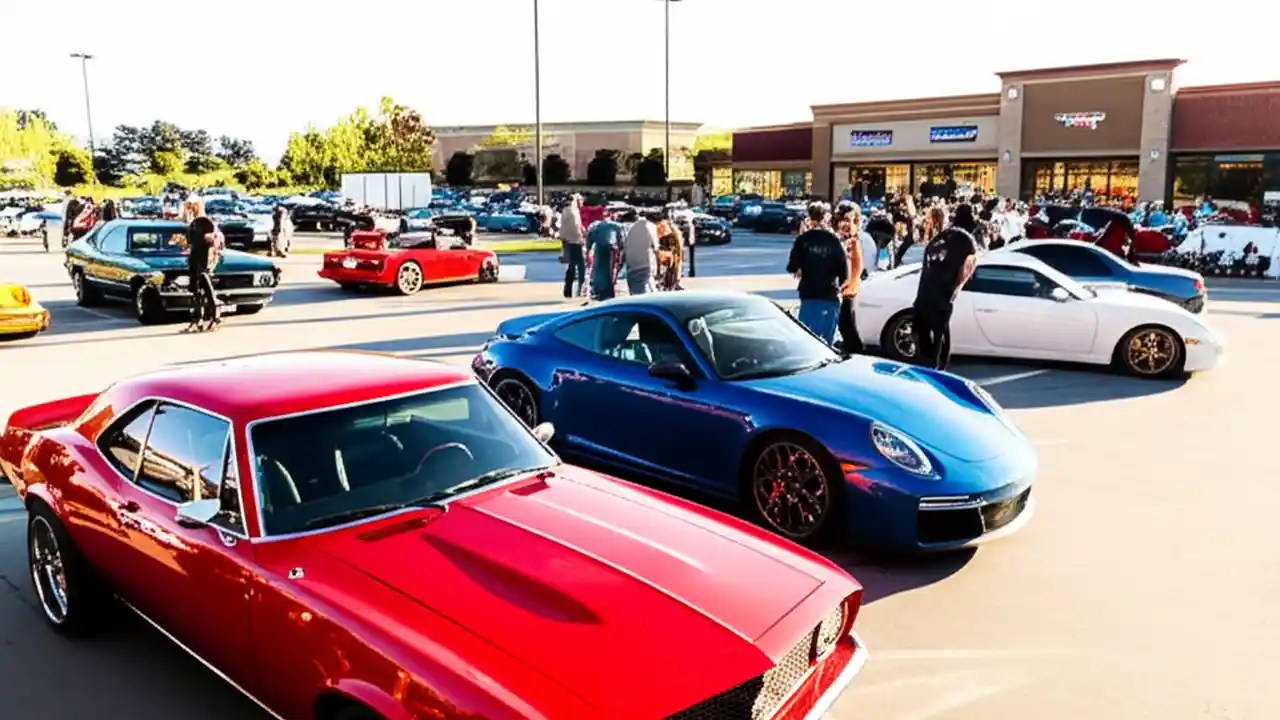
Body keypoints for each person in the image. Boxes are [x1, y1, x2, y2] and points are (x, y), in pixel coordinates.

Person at [913, 203, 978, 370]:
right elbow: (967, 269)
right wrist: (955, 290)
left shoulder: (941, 237)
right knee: (939, 342)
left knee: (923, 341)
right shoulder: (968, 241)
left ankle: (925, 369)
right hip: (942, 298)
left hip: (923, 295)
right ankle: (936, 370)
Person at [786, 201, 847, 344]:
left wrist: (801, 268)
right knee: (827, 341)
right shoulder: (833, 241)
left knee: (808, 337)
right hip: (829, 293)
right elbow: (843, 270)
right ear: (825, 217)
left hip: (808, 292)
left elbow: (792, 266)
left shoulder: (803, 240)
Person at [835, 203, 870, 355]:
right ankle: (852, 347)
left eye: (852, 220)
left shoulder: (855, 240)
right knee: (844, 320)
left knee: (846, 320)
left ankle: (854, 349)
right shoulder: (844, 238)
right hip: (844, 283)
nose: (848, 224)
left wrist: (853, 282)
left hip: (849, 286)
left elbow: (858, 264)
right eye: (845, 220)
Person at [585, 211, 624, 301]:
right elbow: (620, 239)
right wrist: (621, 248)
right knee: (610, 270)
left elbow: (590, 237)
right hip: (612, 249)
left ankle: (599, 290)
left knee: (599, 270)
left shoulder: (596, 225)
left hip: (600, 248)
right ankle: (608, 290)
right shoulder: (616, 226)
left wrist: (588, 248)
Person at [621, 210, 659, 296]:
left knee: (635, 293)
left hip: (631, 267)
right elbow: (656, 247)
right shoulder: (651, 226)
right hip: (645, 266)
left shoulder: (631, 228)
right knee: (649, 292)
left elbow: (625, 247)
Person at [559, 195, 586, 300]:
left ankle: (568, 290)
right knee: (580, 265)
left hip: (567, 241)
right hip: (575, 241)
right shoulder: (573, 212)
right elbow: (575, 227)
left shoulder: (565, 211)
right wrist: (581, 238)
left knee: (571, 266)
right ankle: (581, 288)